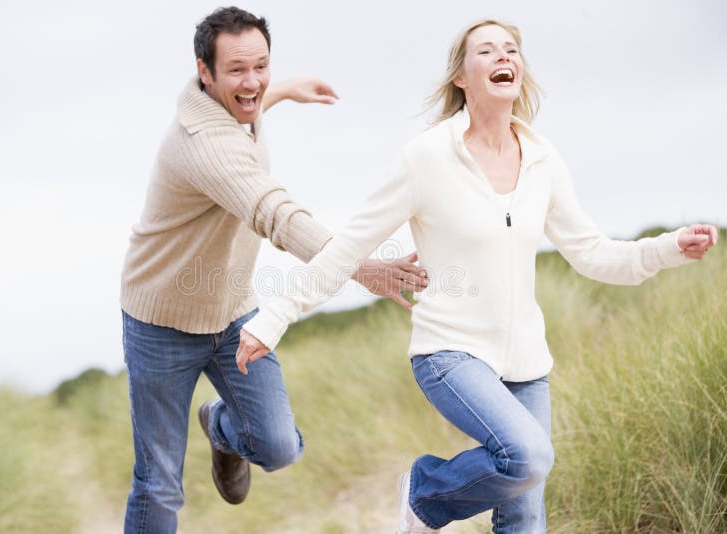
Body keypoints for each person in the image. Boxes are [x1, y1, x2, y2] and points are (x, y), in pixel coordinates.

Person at [235, 18, 719, 534]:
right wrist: (275, 318)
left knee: (526, 518)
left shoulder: (542, 160)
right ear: (462, 77)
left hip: (527, 366)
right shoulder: (426, 157)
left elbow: (591, 253)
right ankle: (424, 493)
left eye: (511, 49)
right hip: (451, 352)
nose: (502, 57)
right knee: (529, 456)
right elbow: (348, 246)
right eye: (486, 51)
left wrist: (668, 248)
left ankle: (428, 500)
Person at [119, 6, 428, 533]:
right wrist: (361, 267)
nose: (252, 82)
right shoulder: (204, 145)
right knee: (159, 481)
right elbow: (276, 213)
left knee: (279, 447)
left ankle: (219, 427)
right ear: (205, 71)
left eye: (261, 65)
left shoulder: (232, 107)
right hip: (160, 324)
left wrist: (279, 91)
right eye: (237, 70)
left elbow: (248, 104)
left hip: (233, 312)